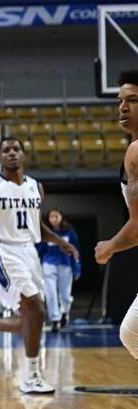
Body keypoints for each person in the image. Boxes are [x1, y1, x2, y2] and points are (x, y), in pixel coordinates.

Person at [0, 137, 78, 394]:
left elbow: (36, 226)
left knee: (31, 320)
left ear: (23, 155)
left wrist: (59, 242)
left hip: (29, 252)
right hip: (3, 250)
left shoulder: (36, 187)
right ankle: (31, 375)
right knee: (37, 311)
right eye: (6, 150)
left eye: (16, 149)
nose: (12, 153)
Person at [100, 71, 138, 360]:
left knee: (131, 332)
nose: (123, 108)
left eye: (133, 100)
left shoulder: (135, 152)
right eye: (120, 101)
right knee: (131, 332)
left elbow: (137, 228)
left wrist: (109, 246)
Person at [39, 209, 80, 331]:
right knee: (50, 294)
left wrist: (77, 268)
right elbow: (40, 250)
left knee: (66, 296)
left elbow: (76, 251)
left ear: (61, 217)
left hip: (65, 265)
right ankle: (55, 319)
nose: (53, 219)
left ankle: (64, 313)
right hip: (48, 264)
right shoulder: (46, 233)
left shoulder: (69, 232)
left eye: (56, 216)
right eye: (51, 217)